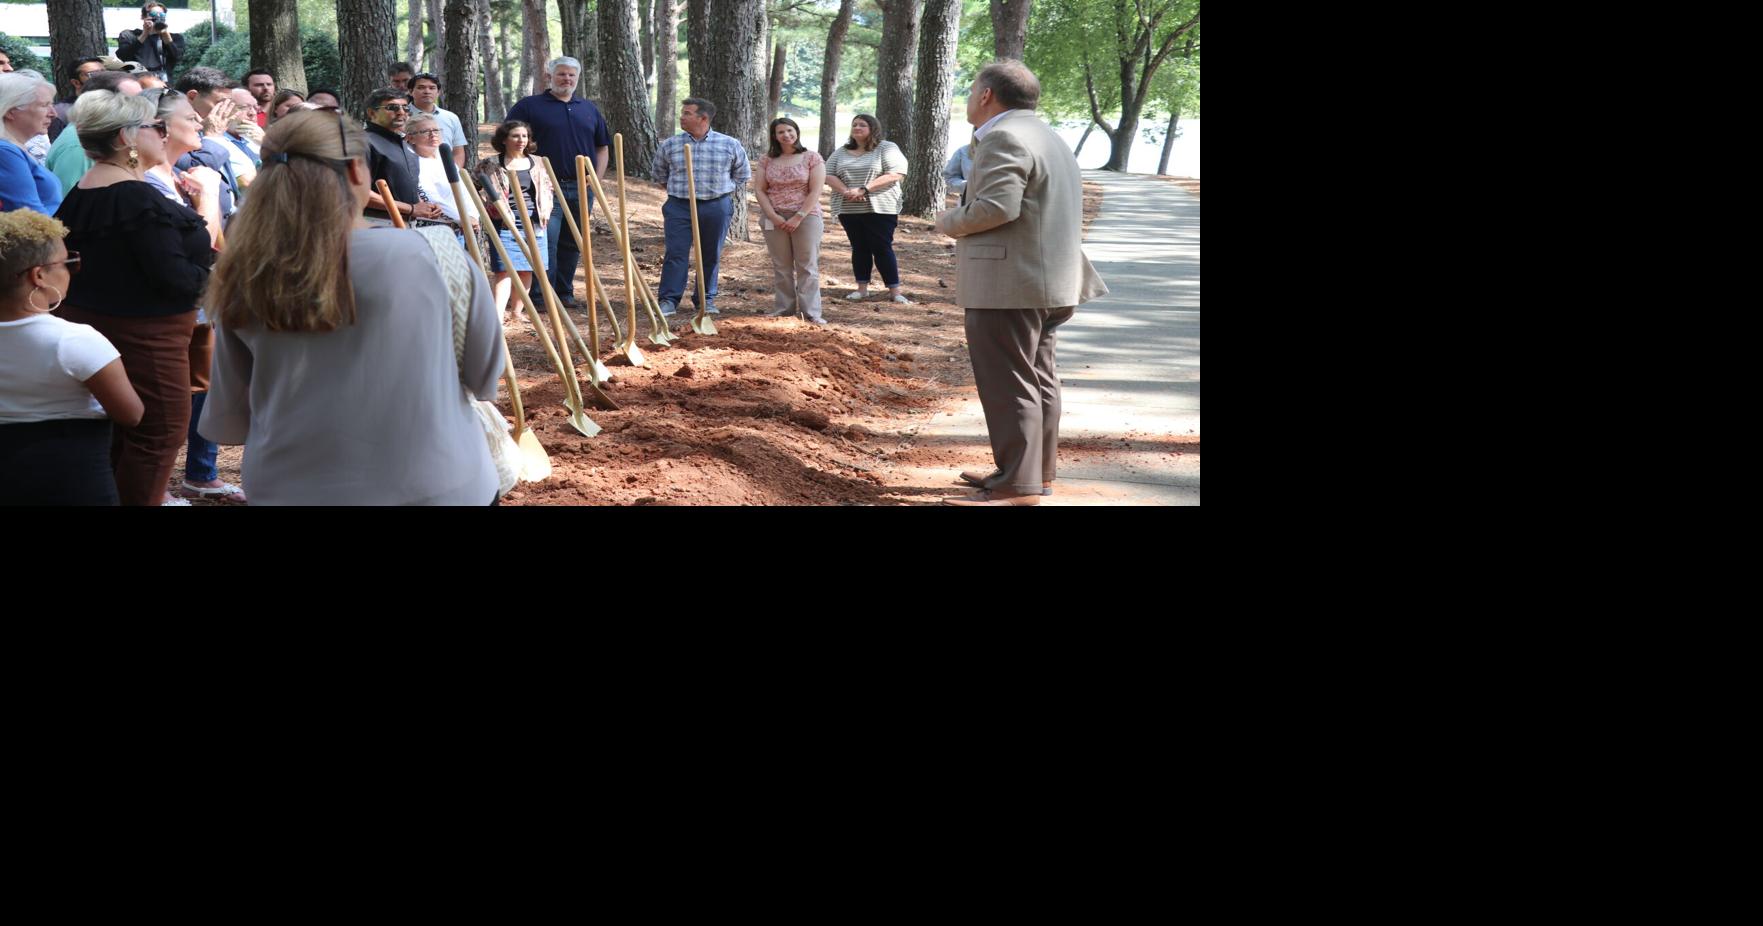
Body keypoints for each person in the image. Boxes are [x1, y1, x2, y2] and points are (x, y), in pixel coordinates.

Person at [199, 109, 504, 506]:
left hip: (291, 489)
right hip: (439, 483)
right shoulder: (436, 253)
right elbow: (485, 376)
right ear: (357, 172)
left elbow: (230, 420)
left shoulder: (243, 273)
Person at [934, 61, 1107, 507]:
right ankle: (1033, 473)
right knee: (1038, 377)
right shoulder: (1048, 135)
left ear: (987, 94)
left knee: (1009, 380)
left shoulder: (1004, 136)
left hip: (1010, 281)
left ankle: (1017, 485)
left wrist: (947, 221)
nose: (969, 97)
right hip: (1049, 280)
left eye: (972, 89)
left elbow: (996, 207)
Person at [53, 89, 220, 506]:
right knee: (159, 432)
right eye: (156, 127)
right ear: (128, 137)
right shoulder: (134, 198)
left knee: (125, 435)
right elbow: (176, 279)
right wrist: (219, 268)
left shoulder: (85, 191)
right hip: (147, 335)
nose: (163, 135)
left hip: (105, 327)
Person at [0, 210, 143, 505]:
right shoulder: (73, 341)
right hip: (72, 478)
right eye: (68, 263)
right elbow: (131, 413)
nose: (71, 270)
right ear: (38, 275)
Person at [138, 89, 237, 502]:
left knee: (203, 386)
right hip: (168, 304)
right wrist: (208, 197)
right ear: (160, 128)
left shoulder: (176, 174)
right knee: (167, 399)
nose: (199, 122)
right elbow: (200, 241)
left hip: (200, 300)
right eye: (189, 118)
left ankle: (201, 472)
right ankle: (152, 488)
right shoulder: (145, 181)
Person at [504, 56, 609, 309]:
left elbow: (602, 147)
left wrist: (595, 179)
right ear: (549, 76)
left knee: (573, 241)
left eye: (572, 75)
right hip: (544, 187)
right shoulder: (530, 106)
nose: (567, 79)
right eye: (561, 74)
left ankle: (564, 292)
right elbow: (510, 141)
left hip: (582, 187)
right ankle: (541, 296)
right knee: (545, 239)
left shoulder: (588, 108)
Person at [651, 97, 748, 324]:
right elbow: (659, 174)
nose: (681, 117)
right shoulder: (670, 144)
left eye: (686, 113)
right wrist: (681, 193)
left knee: (710, 254)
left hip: (716, 205)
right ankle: (668, 299)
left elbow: (742, 174)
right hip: (679, 206)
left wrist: (719, 191)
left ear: (702, 118)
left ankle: (706, 299)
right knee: (676, 252)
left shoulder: (729, 144)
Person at [824, 113, 910, 305]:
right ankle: (862, 289)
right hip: (849, 208)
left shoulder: (885, 148)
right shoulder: (842, 151)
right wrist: (847, 191)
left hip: (880, 207)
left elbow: (896, 173)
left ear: (872, 128)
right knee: (859, 247)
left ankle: (895, 291)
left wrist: (864, 189)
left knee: (881, 247)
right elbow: (827, 174)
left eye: (862, 125)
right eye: (854, 124)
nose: (857, 128)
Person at [473, 120, 550, 325]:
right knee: (504, 269)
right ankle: (496, 317)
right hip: (505, 223)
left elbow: (547, 187)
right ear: (504, 139)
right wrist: (484, 207)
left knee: (527, 268)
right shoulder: (490, 163)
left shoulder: (539, 162)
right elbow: (471, 185)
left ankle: (517, 312)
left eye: (524, 136)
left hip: (535, 222)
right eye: (515, 136)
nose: (520, 140)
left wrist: (546, 209)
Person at [753, 116, 826, 325]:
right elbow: (760, 189)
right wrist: (773, 216)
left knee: (807, 264)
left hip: (806, 216)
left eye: (789, 130)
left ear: (797, 132)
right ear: (774, 136)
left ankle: (810, 312)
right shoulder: (767, 159)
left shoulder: (812, 157)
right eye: (781, 132)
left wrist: (798, 216)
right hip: (774, 217)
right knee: (781, 265)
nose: (786, 135)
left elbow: (816, 190)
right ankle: (783, 309)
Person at [47, 71, 143, 196]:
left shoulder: (98, 135)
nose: (142, 106)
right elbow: (68, 203)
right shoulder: (79, 144)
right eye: (131, 101)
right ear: (102, 102)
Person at [171, 67, 241, 220]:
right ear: (192, 96)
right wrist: (213, 136)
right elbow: (196, 168)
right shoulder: (171, 129)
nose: (227, 111)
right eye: (220, 103)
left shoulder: (211, 125)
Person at [362, 87, 435, 225]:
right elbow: (357, 192)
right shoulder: (363, 142)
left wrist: (423, 206)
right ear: (372, 113)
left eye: (405, 108)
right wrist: (411, 208)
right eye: (392, 107)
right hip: (377, 223)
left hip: (408, 223)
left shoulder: (404, 144)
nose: (401, 112)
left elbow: (404, 186)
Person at [406, 113, 478, 248]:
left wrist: (472, 216)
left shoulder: (444, 159)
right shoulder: (413, 163)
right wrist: (460, 217)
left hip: (458, 228)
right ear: (411, 138)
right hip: (431, 228)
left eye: (436, 130)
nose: (433, 134)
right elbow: (429, 196)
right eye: (425, 131)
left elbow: (463, 191)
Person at [0, 70, 60, 214]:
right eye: (44, 105)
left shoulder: (14, 148)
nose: (53, 114)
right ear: (10, 111)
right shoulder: (5, 152)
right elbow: (32, 216)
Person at [407, 72, 468, 168]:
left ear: (438, 92)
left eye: (432, 88)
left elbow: (458, 152)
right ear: (410, 91)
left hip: (447, 175)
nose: (427, 91)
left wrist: (452, 174)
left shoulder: (451, 118)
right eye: (421, 87)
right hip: (413, 173)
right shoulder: (401, 117)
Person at [116, 3, 185, 82]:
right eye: (153, 14)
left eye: (162, 15)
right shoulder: (129, 35)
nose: (157, 18)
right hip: (136, 81)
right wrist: (145, 34)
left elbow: (177, 57)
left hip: (163, 83)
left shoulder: (174, 37)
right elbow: (124, 57)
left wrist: (165, 34)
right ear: (143, 16)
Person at [49, 57, 105, 142]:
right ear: (76, 82)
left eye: (104, 73)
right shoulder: (60, 112)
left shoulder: (114, 106)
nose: (103, 78)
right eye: (94, 74)